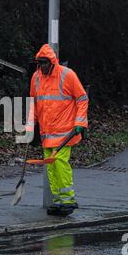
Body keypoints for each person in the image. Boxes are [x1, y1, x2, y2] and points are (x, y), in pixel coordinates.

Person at [30, 43, 89, 215]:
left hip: (64, 132)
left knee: (59, 163)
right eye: (40, 63)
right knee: (51, 167)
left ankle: (68, 200)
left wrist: (80, 123)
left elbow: (82, 99)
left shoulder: (67, 75)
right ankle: (58, 201)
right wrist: (31, 127)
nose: (43, 66)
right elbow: (34, 103)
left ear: (52, 62)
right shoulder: (36, 78)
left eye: (45, 63)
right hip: (47, 133)